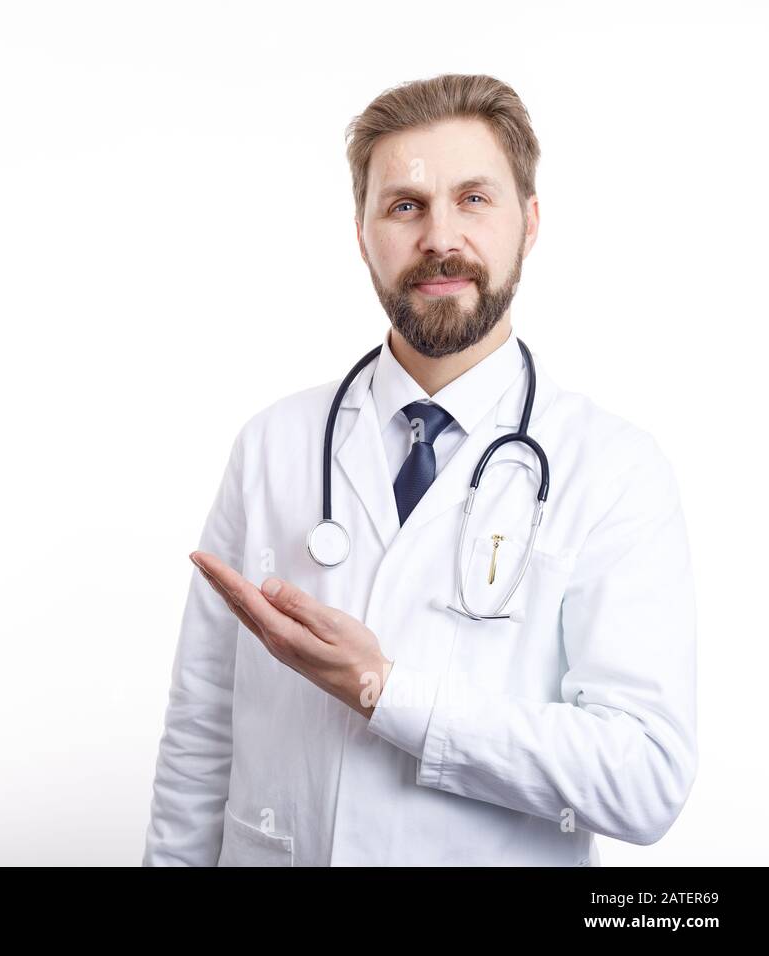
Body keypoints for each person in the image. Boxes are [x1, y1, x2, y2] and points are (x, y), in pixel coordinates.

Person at [141, 73, 697, 866]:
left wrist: (387, 690)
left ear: (529, 223)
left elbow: (644, 778)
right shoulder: (272, 445)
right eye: (405, 205)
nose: (441, 238)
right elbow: (200, 732)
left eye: (475, 199)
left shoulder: (613, 471)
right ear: (362, 234)